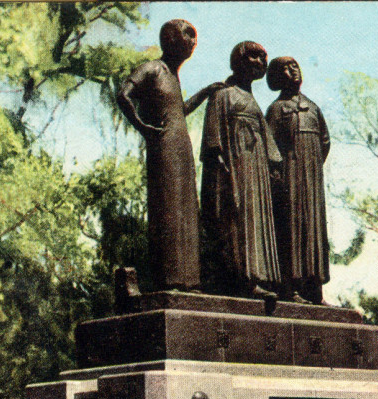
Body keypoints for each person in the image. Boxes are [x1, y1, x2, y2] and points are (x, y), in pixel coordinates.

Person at [116, 19, 219, 292]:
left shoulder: (172, 75)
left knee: (186, 209)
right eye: (188, 35)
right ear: (171, 38)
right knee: (168, 208)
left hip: (181, 147)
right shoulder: (152, 68)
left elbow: (179, 110)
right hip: (163, 147)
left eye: (195, 36)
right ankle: (170, 279)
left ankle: (189, 280)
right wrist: (142, 127)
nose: (193, 41)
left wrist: (206, 92)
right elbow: (124, 95)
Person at [199, 41, 282, 299]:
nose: (261, 62)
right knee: (237, 218)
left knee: (255, 218)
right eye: (255, 56)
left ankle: (257, 277)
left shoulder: (251, 99)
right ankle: (243, 280)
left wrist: (273, 163)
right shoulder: (223, 94)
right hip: (235, 167)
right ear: (240, 60)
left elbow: (266, 137)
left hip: (255, 167)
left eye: (263, 57)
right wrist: (219, 162)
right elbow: (212, 136)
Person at [266, 57, 331, 304]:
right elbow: (269, 144)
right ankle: (290, 288)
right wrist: (281, 172)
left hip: (312, 181)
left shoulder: (312, 107)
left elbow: (325, 141)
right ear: (276, 77)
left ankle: (315, 290)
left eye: (294, 65)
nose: (292, 70)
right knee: (291, 230)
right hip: (288, 180)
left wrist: (311, 165)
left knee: (315, 231)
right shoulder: (276, 109)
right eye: (285, 68)